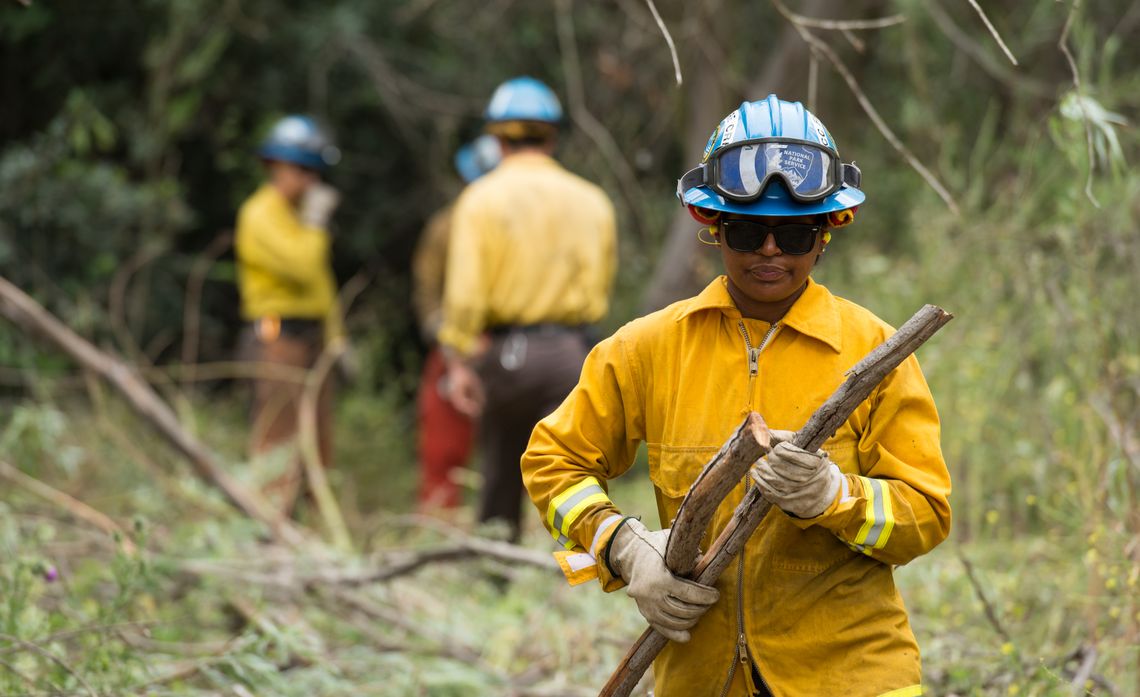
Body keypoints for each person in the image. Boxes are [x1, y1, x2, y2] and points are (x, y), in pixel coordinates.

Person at [521, 95, 952, 696]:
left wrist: (836, 495)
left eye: (794, 234)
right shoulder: (647, 348)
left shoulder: (874, 352)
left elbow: (925, 516)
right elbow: (550, 461)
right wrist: (623, 547)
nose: (770, 251)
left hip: (853, 676)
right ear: (713, 228)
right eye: (749, 232)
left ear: (826, 234)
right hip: (702, 679)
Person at [438, 77, 618, 541]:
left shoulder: (480, 199)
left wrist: (457, 357)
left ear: (497, 139)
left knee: (501, 466)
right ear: (552, 135)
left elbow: (465, 293)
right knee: (573, 469)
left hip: (507, 355)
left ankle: (495, 564)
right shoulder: (592, 200)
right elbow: (599, 282)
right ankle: (586, 560)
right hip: (572, 351)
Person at [234, 114, 346, 515]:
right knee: (277, 439)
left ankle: (311, 528)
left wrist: (336, 339)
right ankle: (267, 526)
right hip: (276, 342)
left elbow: (320, 286)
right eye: (300, 169)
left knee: (317, 441)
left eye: (313, 172)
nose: (309, 181)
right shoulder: (260, 214)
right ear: (274, 166)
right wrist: (315, 223)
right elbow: (302, 268)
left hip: (312, 340)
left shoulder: (297, 219)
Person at [411, 135, 501, 512]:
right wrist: (450, 346)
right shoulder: (446, 227)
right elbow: (428, 294)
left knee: (513, 449)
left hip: (505, 344)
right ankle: (440, 522)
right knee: (443, 450)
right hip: (456, 344)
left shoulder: (514, 227)